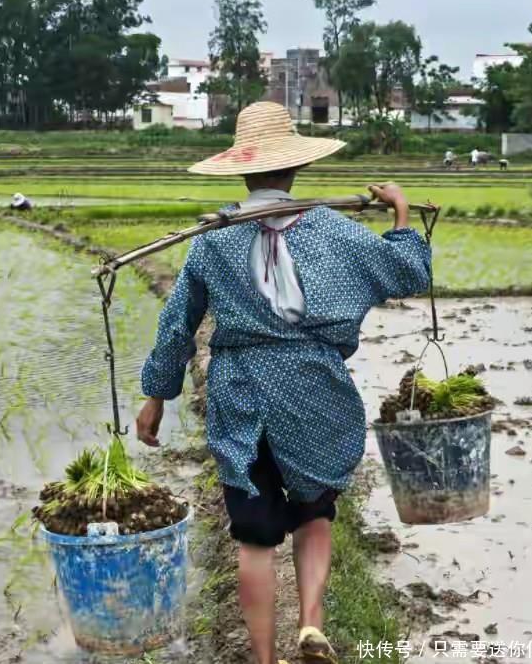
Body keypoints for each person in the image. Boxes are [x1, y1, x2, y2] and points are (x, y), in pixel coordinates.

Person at [136, 102, 431, 664]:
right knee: (314, 511)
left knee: (254, 535)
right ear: (297, 166)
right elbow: (408, 272)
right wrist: (399, 212)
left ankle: (265, 659)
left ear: (242, 171)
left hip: (241, 393)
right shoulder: (332, 228)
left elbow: (178, 325)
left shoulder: (213, 237)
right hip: (314, 387)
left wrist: (156, 395)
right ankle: (311, 625)